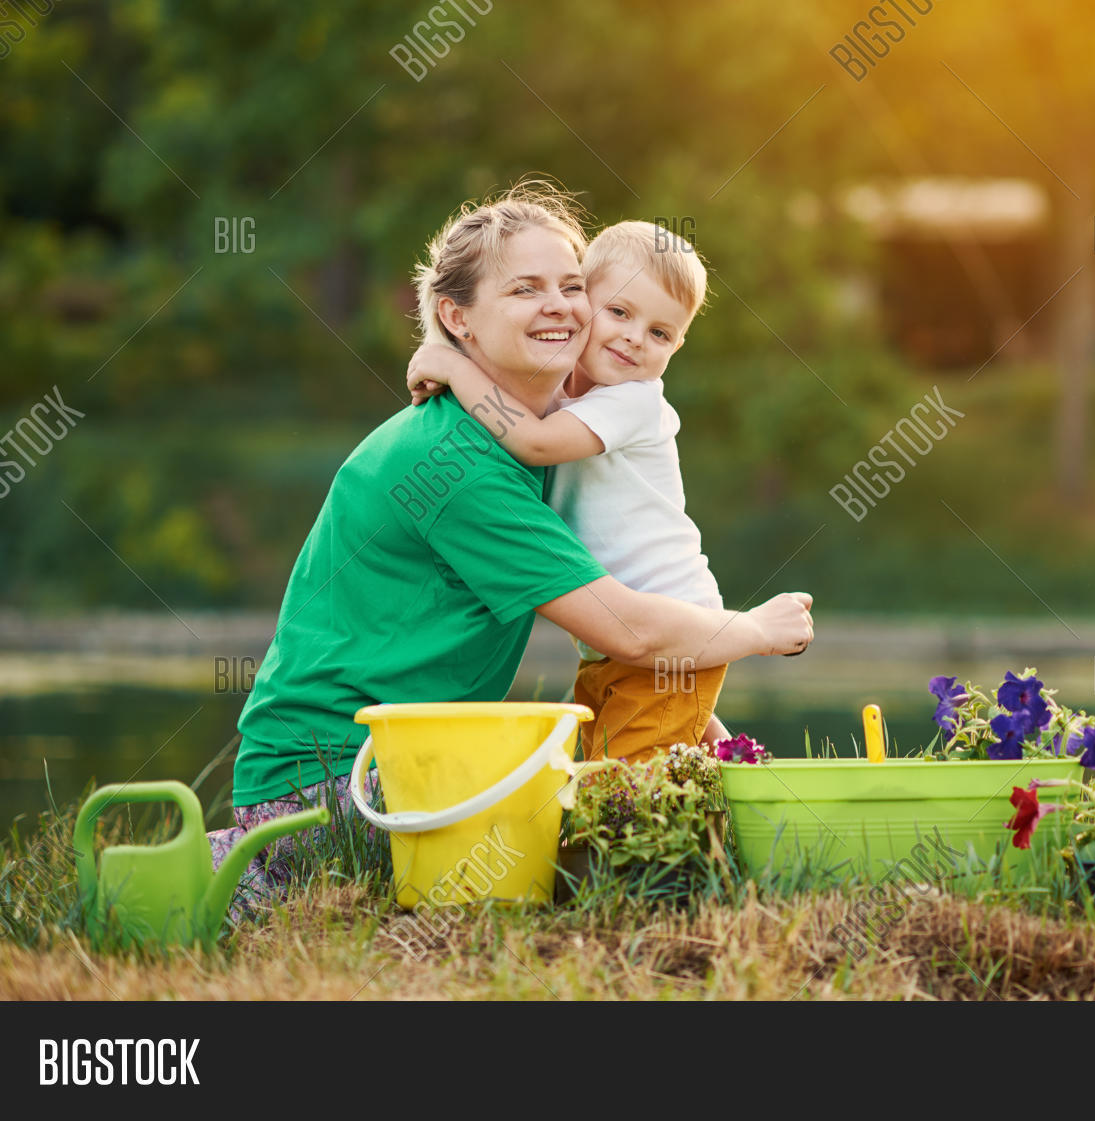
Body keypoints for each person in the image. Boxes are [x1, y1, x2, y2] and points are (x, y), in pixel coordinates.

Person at [209, 184, 813, 908]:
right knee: (606, 833)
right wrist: (752, 630)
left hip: (412, 765)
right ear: (456, 317)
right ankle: (246, 876)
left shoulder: (545, 437)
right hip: (337, 788)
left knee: (619, 798)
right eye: (525, 289)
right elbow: (626, 628)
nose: (558, 305)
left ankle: (228, 870)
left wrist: (704, 735)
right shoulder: (456, 462)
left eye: (569, 285)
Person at [405, 220, 730, 764]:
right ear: (585, 303)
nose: (633, 337)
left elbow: (531, 442)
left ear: (678, 343)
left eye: (660, 333)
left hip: (667, 631)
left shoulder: (634, 401)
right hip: (611, 645)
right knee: (617, 777)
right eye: (620, 313)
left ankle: (660, 848)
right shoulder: (569, 396)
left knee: (624, 791)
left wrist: (456, 369)